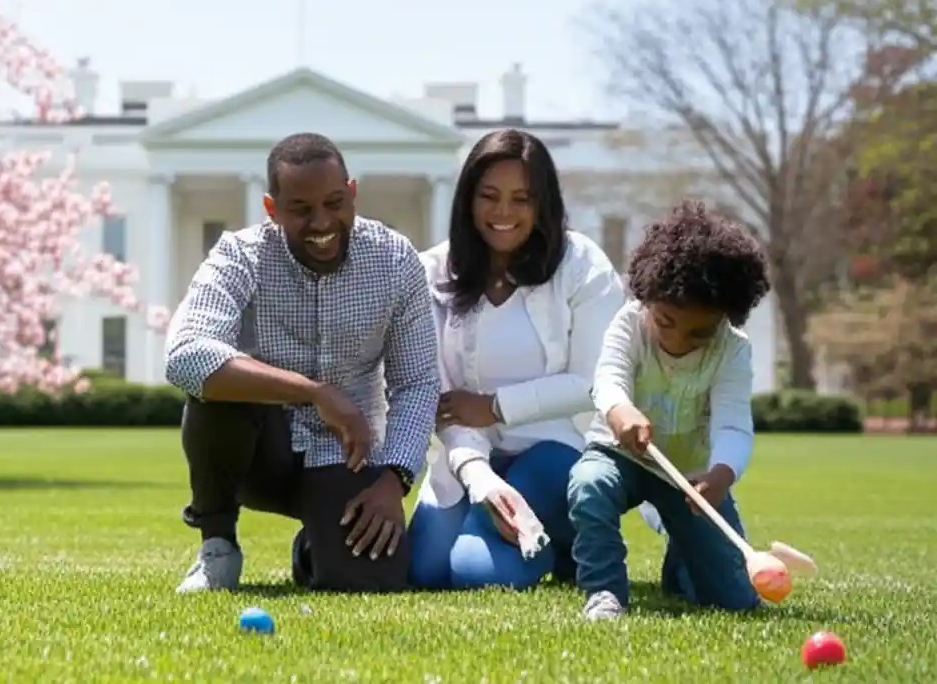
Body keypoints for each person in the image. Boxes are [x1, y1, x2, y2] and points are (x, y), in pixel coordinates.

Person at [163, 132, 441, 595]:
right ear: (272, 210)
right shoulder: (240, 255)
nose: (322, 222)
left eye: (335, 203)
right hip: (256, 453)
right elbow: (185, 356)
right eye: (301, 209)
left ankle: (314, 545)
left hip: (346, 454)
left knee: (370, 579)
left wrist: (395, 479)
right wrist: (312, 391)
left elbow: (417, 382)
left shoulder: (396, 260)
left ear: (352, 193)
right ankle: (218, 548)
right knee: (219, 383)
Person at [407, 128, 627, 590]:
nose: (503, 213)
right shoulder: (431, 272)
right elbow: (442, 399)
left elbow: (594, 382)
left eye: (521, 199)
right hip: (466, 457)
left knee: (474, 574)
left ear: (543, 203)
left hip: (554, 452)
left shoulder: (582, 266)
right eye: (489, 196)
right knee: (422, 573)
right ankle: (508, 518)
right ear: (467, 199)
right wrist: (483, 480)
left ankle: (574, 538)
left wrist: (495, 406)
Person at [567, 200, 772, 621]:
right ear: (647, 299)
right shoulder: (628, 322)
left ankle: (681, 556)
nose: (678, 341)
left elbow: (734, 425)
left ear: (725, 317)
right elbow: (607, 380)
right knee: (588, 484)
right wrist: (620, 410)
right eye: (665, 323)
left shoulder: (734, 350)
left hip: (691, 477)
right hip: (617, 454)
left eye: (700, 332)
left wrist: (721, 475)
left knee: (733, 600)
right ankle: (605, 593)